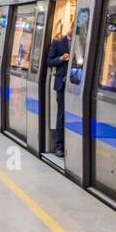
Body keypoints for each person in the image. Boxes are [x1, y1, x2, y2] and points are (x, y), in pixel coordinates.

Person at [45, 23, 71, 156]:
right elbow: (49, 61)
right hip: (62, 84)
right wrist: (61, 58)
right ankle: (59, 146)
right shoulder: (58, 42)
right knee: (61, 116)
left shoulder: (84, 42)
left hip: (77, 85)